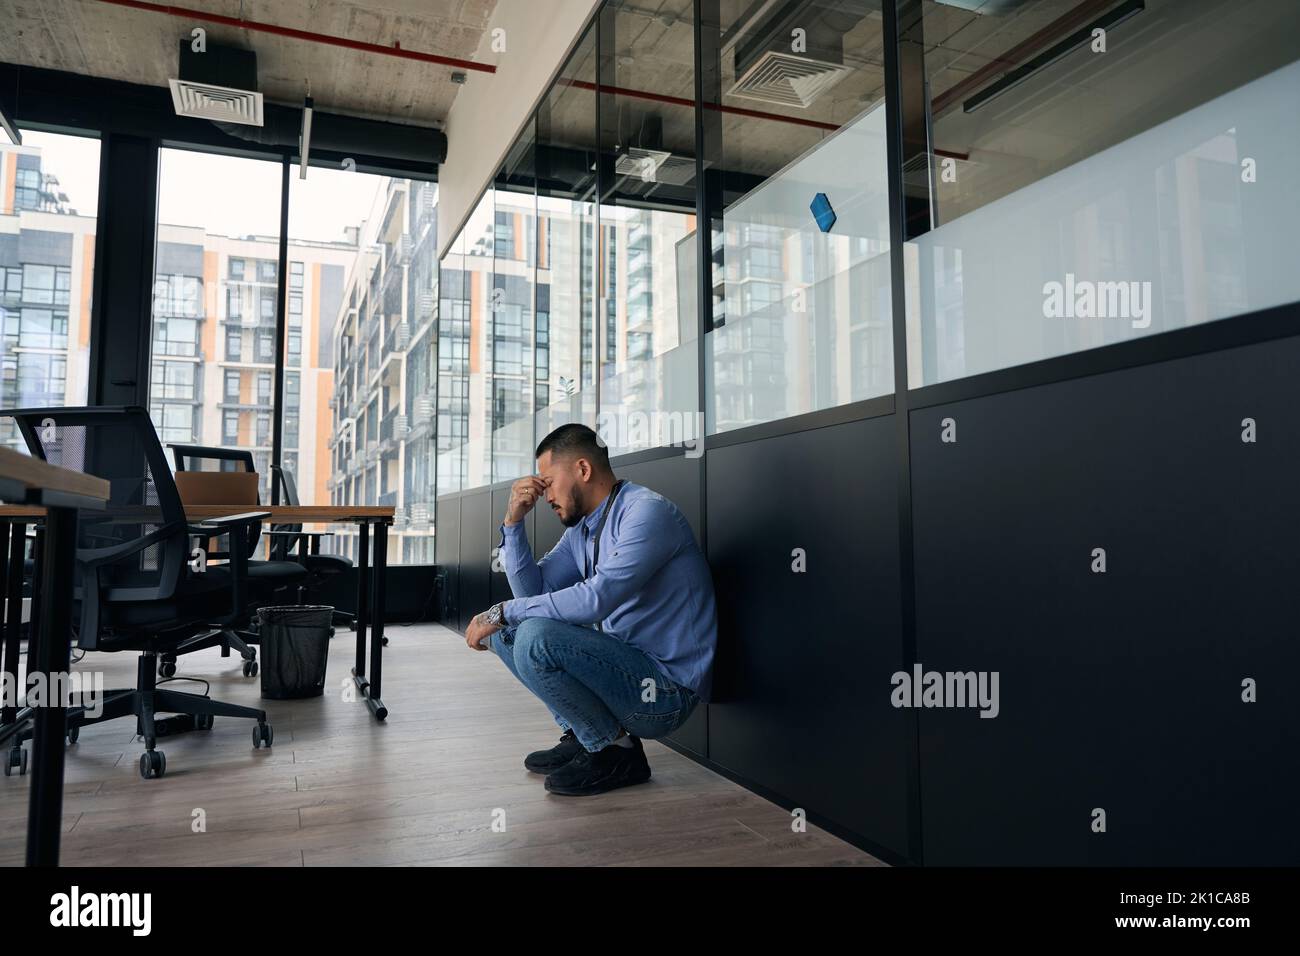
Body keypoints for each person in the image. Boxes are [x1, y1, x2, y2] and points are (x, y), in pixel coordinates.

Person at [464, 423, 718, 796]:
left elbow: (597, 599)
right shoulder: (581, 531)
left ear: (583, 470)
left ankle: (616, 752)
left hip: (664, 690)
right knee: (510, 632)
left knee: (532, 633)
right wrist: (513, 521)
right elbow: (532, 592)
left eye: (548, 481)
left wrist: (501, 610)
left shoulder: (646, 514)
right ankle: (585, 733)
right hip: (624, 669)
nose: (544, 494)